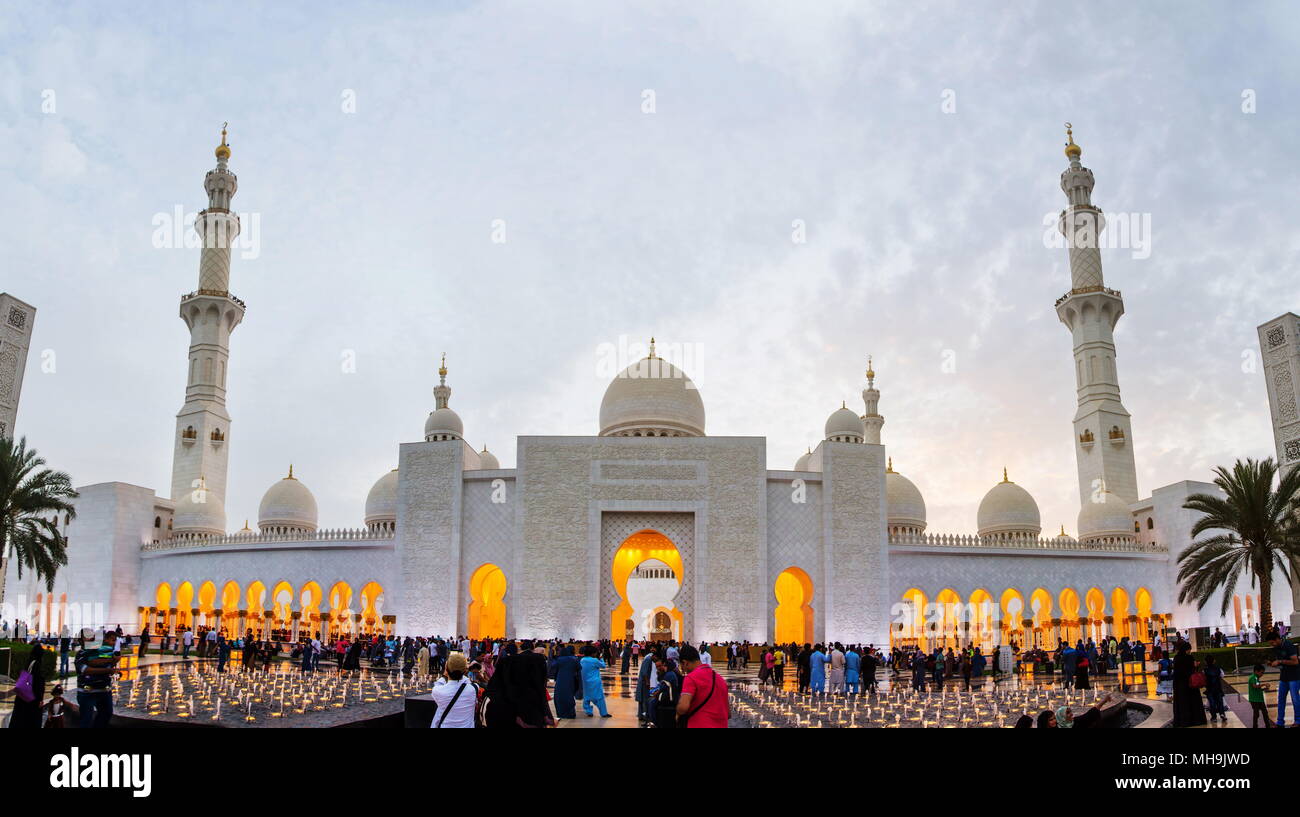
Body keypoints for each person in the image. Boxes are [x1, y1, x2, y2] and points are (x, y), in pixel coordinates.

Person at [75, 629, 120, 728]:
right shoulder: (81, 654)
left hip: (103, 690)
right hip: (87, 692)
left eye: (92, 636)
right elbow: (86, 670)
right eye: (87, 637)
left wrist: (114, 661)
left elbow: (108, 664)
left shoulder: (100, 651)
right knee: (86, 720)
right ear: (81, 641)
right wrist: (108, 671)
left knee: (107, 714)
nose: (91, 639)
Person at [676, 644, 728, 728]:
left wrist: (677, 713)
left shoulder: (691, 678)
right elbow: (728, 713)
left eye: (682, 667)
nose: (683, 670)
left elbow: (683, 707)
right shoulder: (720, 679)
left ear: (685, 663)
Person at [8, 642, 47, 728]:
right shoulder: (37, 664)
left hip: (22, 697)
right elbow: (38, 684)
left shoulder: (29, 662)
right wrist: (40, 699)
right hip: (31, 699)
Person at [1268, 629, 1300, 727]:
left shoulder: (1288, 645)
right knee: (1281, 699)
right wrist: (1273, 664)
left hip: (1294, 677)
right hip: (1284, 677)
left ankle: (1298, 721)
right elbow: (1280, 662)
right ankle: (1280, 722)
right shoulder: (1276, 647)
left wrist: (1280, 662)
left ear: (1278, 639)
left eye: (1273, 642)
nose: (1272, 644)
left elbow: (1295, 662)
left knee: (1295, 699)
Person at [1171, 640, 1206, 727]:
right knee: (1193, 702)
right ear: (1186, 649)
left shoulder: (1176, 658)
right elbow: (1192, 670)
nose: (1189, 651)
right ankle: (1195, 720)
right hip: (1190, 685)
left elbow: (1176, 672)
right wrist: (1196, 666)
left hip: (1180, 685)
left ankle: (1183, 721)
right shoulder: (1189, 658)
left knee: (1182, 703)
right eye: (1189, 650)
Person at [578, 645, 611, 718]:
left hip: (585, 682)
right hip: (595, 682)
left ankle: (588, 711)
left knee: (586, 697)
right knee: (599, 697)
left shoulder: (582, 660)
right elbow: (603, 666)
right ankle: (603, 713)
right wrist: (601, 659)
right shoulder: (594, 660)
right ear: (592, 653)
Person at [648, 653, 680, 729]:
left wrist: (657, 693)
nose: (658, 668)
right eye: (657, 667)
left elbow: (663, 687)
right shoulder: (667, 673)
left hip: (668, 698)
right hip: (669, 696)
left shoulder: (669, 674)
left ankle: (653, 722)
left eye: (660, 666)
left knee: (651, 703)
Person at [551, 645, 580, 720]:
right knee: (569, 696)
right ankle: (570, 713)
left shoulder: (560, 659)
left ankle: (561, 713)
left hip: (561, 679)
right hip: (571, 679)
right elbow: (579, 668)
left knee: (559, 696)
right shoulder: (574, 659)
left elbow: (553, 666)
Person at [1247, 663, 1273, 728]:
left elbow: (1258, 688)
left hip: (1259, 699)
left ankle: (1268, 725)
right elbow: (1255, 686)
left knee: (1265, 713)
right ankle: (1255, 726)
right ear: (1256, 671)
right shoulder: (1253, 677)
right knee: (1256, 714)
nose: (1262, 674)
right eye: (1261, 673)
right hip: (1254, 700)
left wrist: (1264, 689)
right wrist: (1264, 684)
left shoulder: (1256, 678)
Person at [1203, 654, 1227, 722]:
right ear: (1214, 661)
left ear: (1205, 662)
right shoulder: (1219, 669)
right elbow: (1222, 675)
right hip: (1218, 688)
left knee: (1212, 703)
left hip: (1209, 689)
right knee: (1220, 702)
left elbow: (1204, 679)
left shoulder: (1205, 670)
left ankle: (1214, 717)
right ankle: (1222, 714)